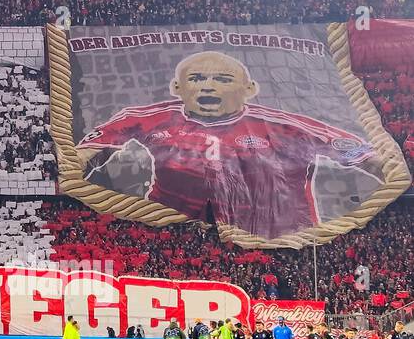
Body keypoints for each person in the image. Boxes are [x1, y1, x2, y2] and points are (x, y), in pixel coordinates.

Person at [76, 50, 386, 241]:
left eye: (223, 79)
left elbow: (366, 156)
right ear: (177, 88)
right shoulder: (146, 118)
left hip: (276, 232)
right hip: (180, 231)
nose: (208, 86)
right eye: (196, 78)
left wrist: (390, 175)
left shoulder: (286, 126)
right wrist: (74, 168)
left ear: (248, 89)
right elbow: (86, 153)